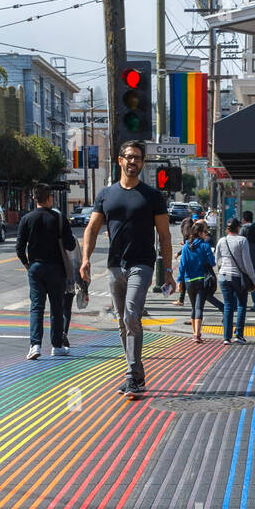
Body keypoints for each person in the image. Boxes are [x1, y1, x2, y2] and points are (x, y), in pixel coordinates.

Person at [81, 139, 174, 399]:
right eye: (129, 157)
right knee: (123, 323)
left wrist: (168, 270)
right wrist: (85, 259)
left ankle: (132, 377)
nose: (133, 161)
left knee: (131, 316)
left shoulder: (153, 196)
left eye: (138, 158)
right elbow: (91, 228)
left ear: (143, 164)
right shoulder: (106, 195)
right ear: (120, 160)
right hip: (114, 266)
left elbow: (165, 236)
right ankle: (137, 372)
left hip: (142, 264)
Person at [16, 183, 77, 360]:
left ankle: (35, 345)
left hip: (35, 268)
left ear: (34, 198)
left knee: (36, 306)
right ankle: (57, 345)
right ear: (50, 198)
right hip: (57, 268)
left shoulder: (26, 219)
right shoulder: (59, 218)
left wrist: (28, 265)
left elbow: (19, 248)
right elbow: (70, 245)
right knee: (57, 307)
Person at [215, 217, 255, 344]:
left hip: (224, 275)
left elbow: (217, 259)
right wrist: (254, 280)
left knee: (228, 305)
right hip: (238, 277)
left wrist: (223, 268)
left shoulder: (222, 240)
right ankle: (238, 335)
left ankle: (226, 337)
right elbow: (247, 263)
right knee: (241, 305)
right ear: (238, 227)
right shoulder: (242, 241)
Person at [177, 221, 217, 343]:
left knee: (194, 307)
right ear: (199, 233)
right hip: (201, 279)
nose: (206, 234)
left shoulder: (185, 247)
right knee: (199, 307)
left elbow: (182, 265)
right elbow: (212, 262)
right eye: (205, 232)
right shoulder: (205, 246)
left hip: (189, 280)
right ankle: (197, 334)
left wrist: (180, 280)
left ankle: (195, 333)